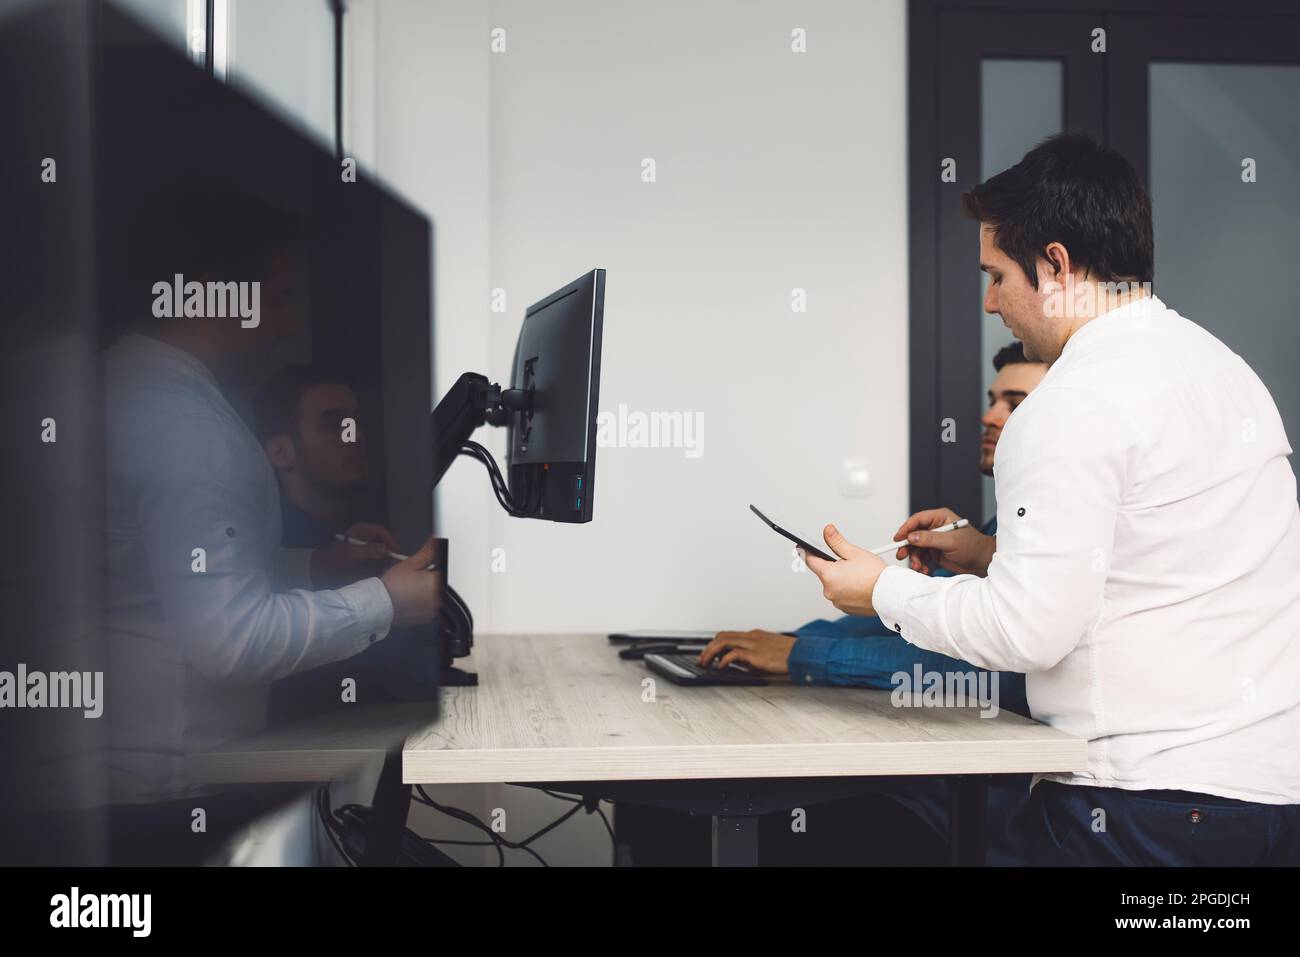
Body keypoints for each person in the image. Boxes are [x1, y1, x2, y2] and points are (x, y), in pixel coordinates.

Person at [799, 133, 1300, 865]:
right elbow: (1164, 570)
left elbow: (1026, 632)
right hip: (1266, 801)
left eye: (997, 274)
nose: (989, 300)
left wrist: (884, 590)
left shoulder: (1070, 404)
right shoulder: (1226, 373)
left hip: (1141, 810)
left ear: (1057, 264)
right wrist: (989, 554)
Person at [101, 192, 442, 863]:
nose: (288, 326)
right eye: (279, 298)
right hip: (152, 799)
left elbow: (181, 578)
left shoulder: (145, 388)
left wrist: (314, 566)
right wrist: (389, 601)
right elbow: (229, 638)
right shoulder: (181, 424)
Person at [698, 342, 1047, 864]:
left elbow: (990, 669)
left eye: (1014, 404)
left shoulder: (1059, 538)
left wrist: (801, 657)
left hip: (974, 817)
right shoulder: (1002, 529)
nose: (989, 416)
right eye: (993, 399)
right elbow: (909, 627)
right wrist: (792, 643)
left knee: (729, 822)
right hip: (926, 792)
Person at [251, 363, 441, 721]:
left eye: (356, 421)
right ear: (279, 453)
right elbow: (381, 672)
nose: (354, 435)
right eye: (333, 424)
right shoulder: (273, 549)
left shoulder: (349, 544)